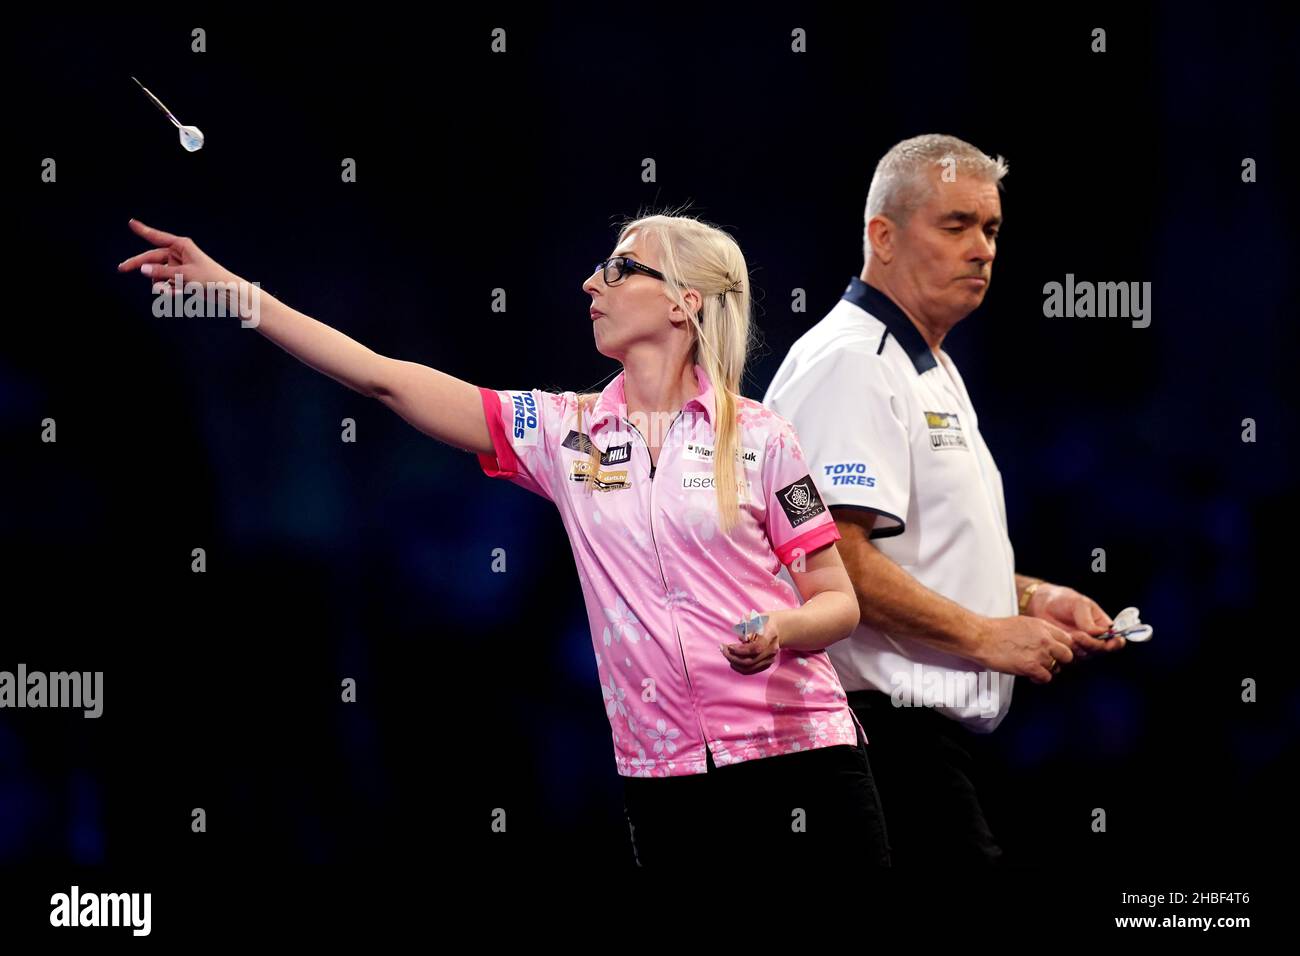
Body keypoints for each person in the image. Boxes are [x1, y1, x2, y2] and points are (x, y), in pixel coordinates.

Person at [118, 211, 890, 867]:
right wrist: (238, 294)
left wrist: (783, 626)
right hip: (666, 779)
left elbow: (836, 602)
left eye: (621, 269)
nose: (592, 284)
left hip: (802, 763)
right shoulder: (565, 434)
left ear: (685, 304)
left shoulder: (762, 439)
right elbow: (383, 377)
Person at [763, 134, 1125, 865]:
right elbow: (830, 559)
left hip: (921, 744)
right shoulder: (852, 364)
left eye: (990, 229)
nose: (982, 248)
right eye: (955, 225)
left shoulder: (929, 366)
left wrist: (1029, 597)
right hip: (878, 739)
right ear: (883, 237)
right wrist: (987, 635)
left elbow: (915, 548)